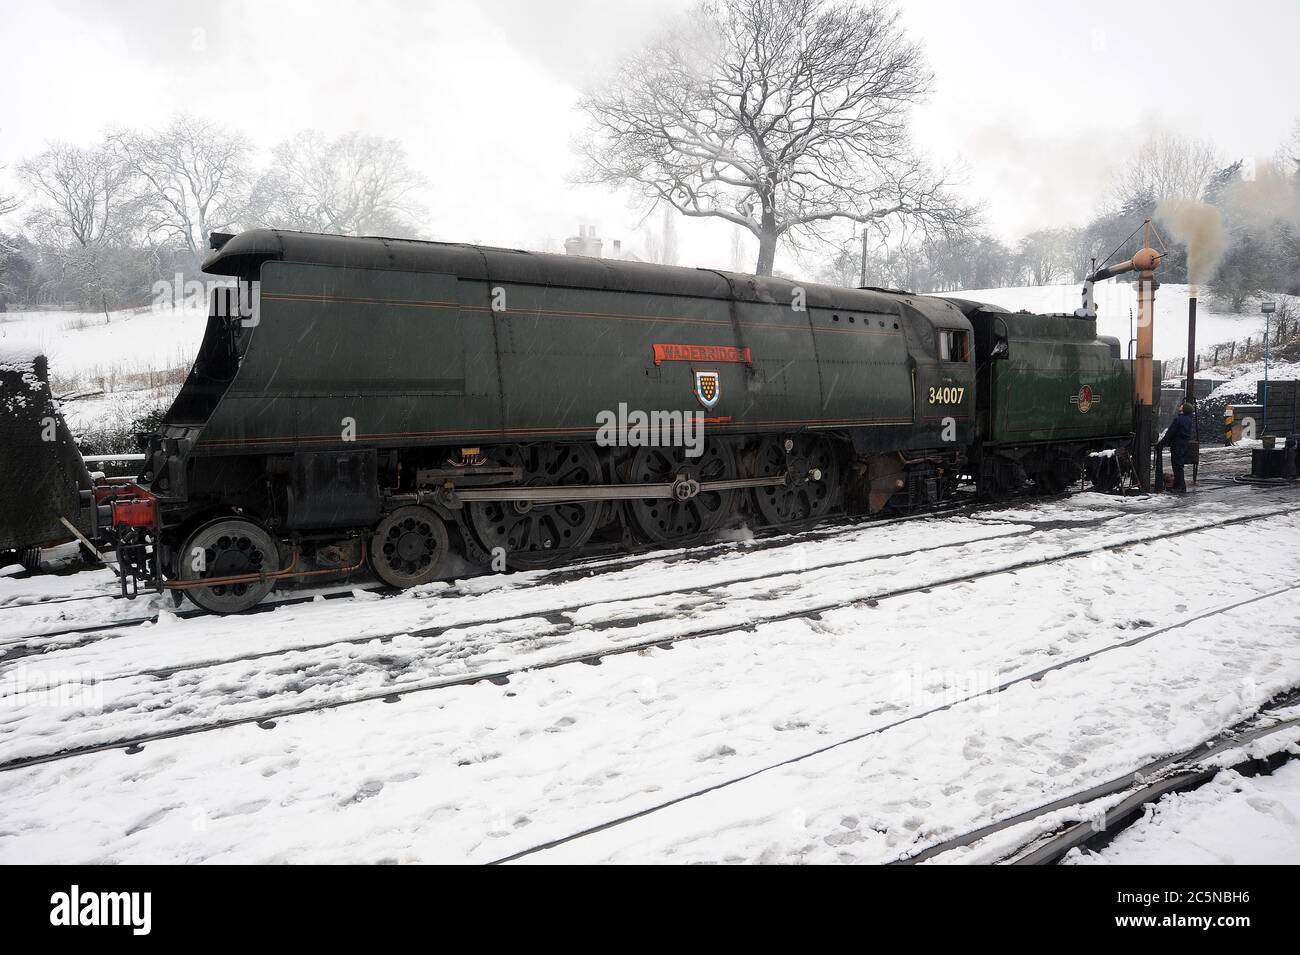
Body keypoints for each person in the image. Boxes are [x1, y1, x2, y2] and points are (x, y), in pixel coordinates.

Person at [1156, 400, 1196, 493]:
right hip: (1183, 443)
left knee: (1177, 465)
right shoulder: (1189, 419)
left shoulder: (1179, 420)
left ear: (1184, 410)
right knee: (1179, 465)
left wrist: (1162, 443)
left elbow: (1170, 433)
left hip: (1177, 444)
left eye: (1182, 406)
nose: (1180, 406)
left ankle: (1180, 486)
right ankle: (1179, 485)